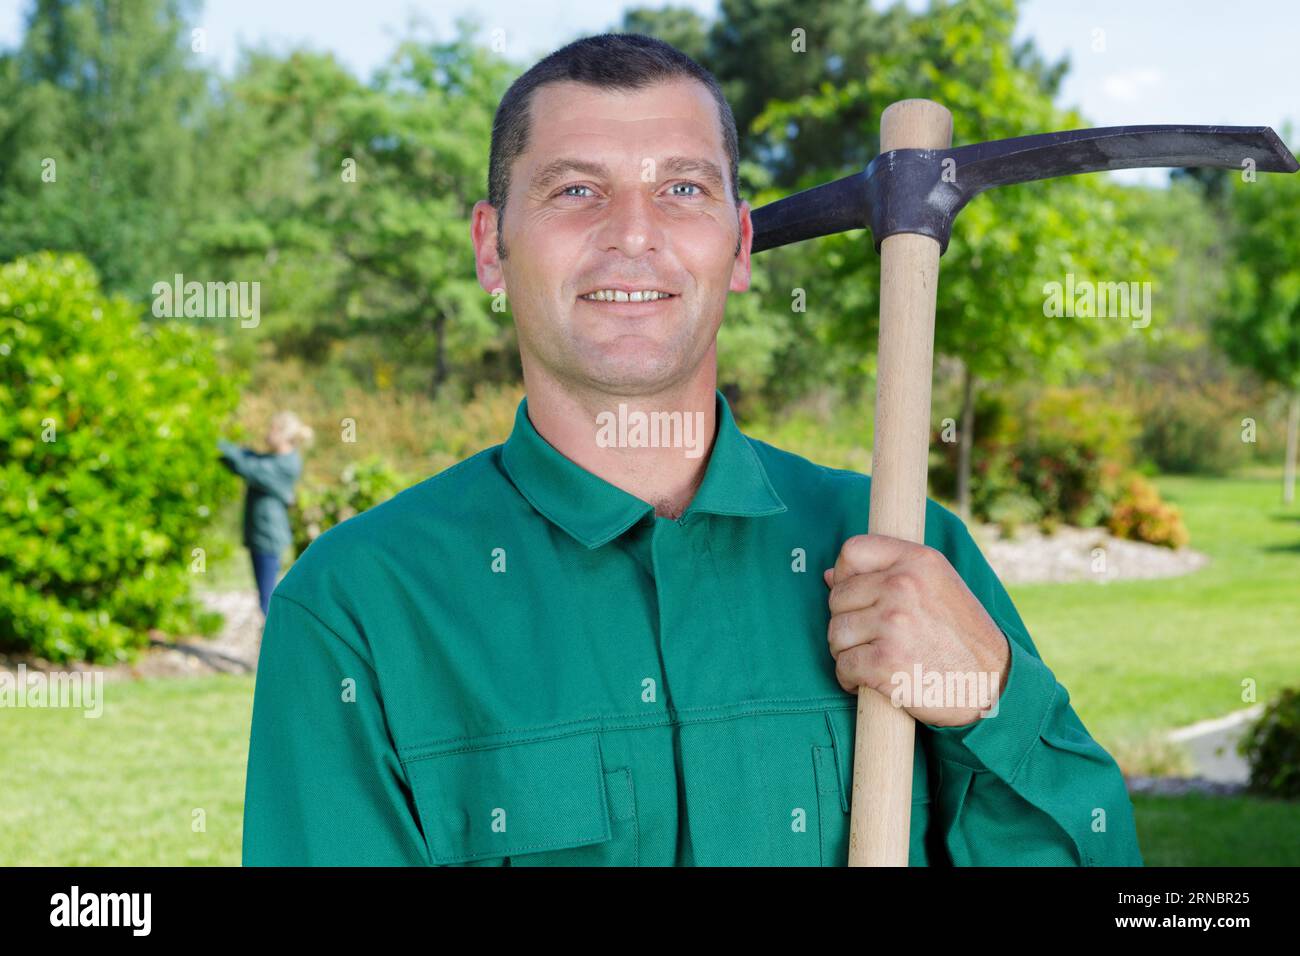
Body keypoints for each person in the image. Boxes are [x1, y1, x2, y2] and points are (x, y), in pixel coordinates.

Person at [242, 34, 1143, 866]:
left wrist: (993, 702)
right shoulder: (357, 609)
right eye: (574, 189)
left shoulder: (904, 547)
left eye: (681, 188)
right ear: (491, 247)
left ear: (740, 245)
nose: (633, 233)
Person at [217, 411, 312, 619]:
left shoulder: (286, 465)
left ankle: (274, 648)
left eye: (272, 429)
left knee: (267, 599)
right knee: (265, 595)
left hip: (268, 536)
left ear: (283, 434)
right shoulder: (275, 459)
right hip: (261, 534)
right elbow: (247, 459)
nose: (267, 433)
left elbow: (248, 467)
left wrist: (215, 443)